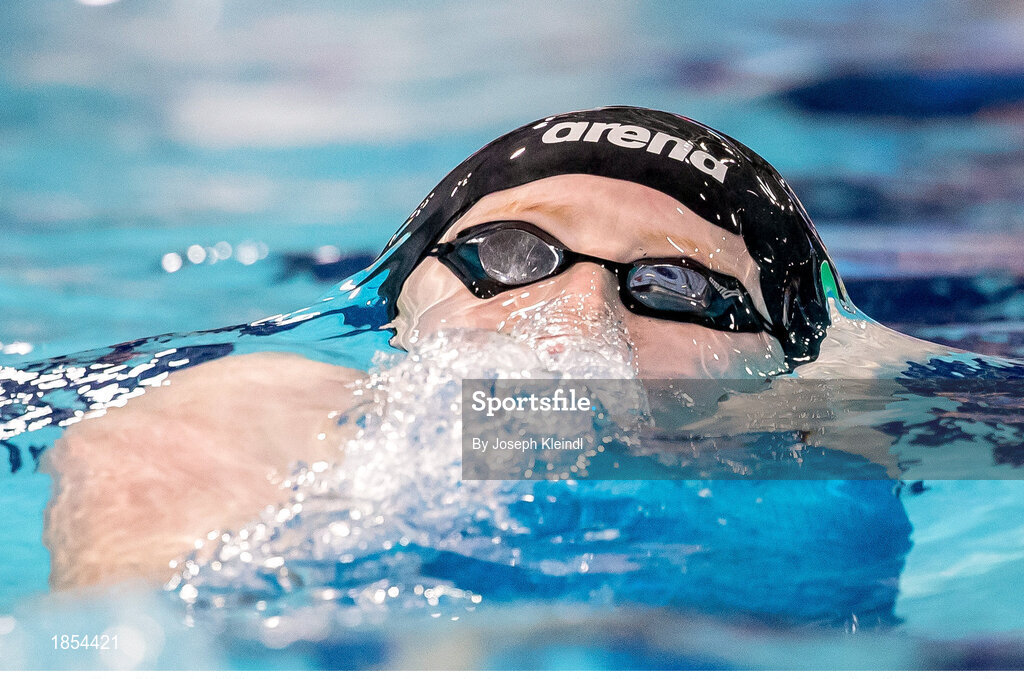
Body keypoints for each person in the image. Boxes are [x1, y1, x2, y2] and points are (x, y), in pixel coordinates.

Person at [41, 107, 943, 589]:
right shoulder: (238, 420)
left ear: (780, 363)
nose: (579, 302)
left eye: (679, 286)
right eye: (513, 253)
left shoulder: (839, 470)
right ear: (400, 305)